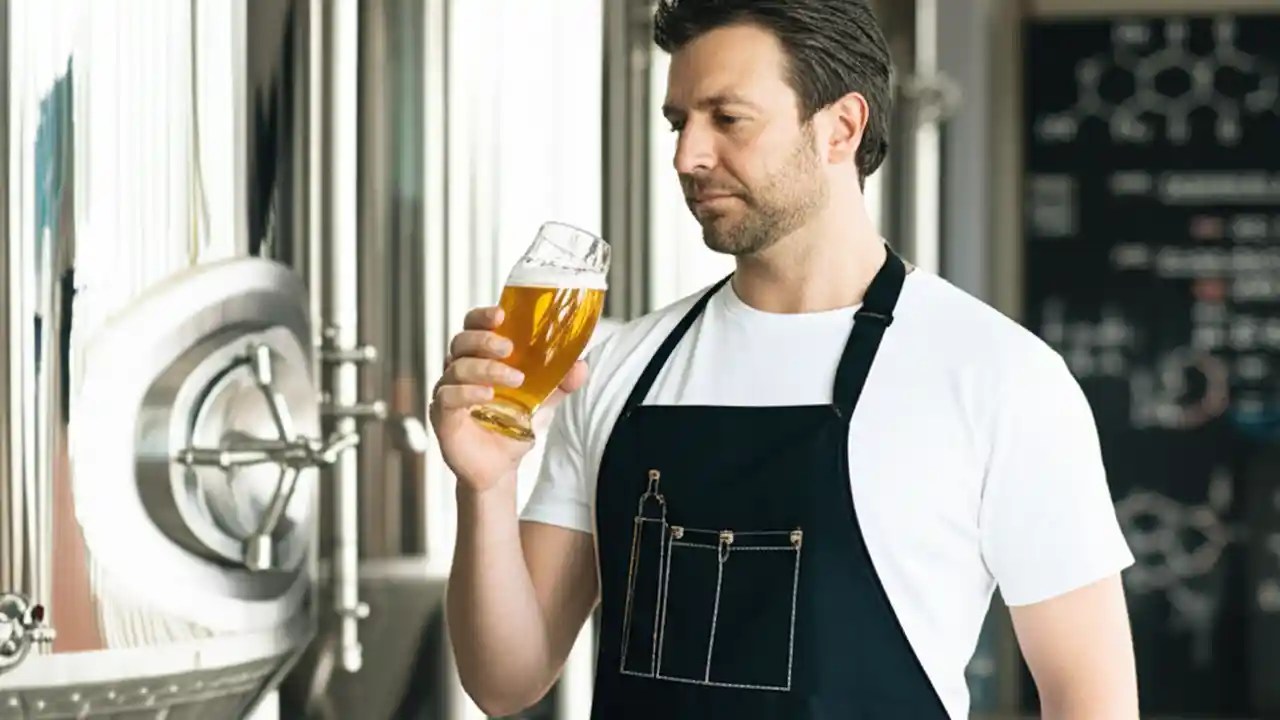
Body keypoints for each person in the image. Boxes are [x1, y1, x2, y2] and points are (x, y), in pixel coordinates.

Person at [429, 1, 1139, 717]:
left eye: (728, 118)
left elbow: (1090, 695)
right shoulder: (619, 366)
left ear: (841, 128)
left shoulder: (996, 375)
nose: (687, 157)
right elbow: (504, 682)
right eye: (679, 123)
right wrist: (485, 486)